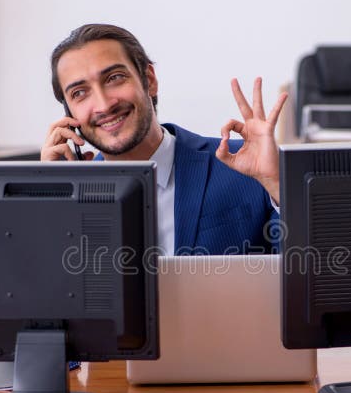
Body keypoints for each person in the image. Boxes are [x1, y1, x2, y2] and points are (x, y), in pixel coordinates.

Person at [41, 23, 287, 255]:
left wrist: (277, 184)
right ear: (69, 112)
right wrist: (46, 204)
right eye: (80, 93)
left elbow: (311, 272)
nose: (104, 105)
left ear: (149, 80)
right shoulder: (72, 195)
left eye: (114, 78)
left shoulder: (242, 163)